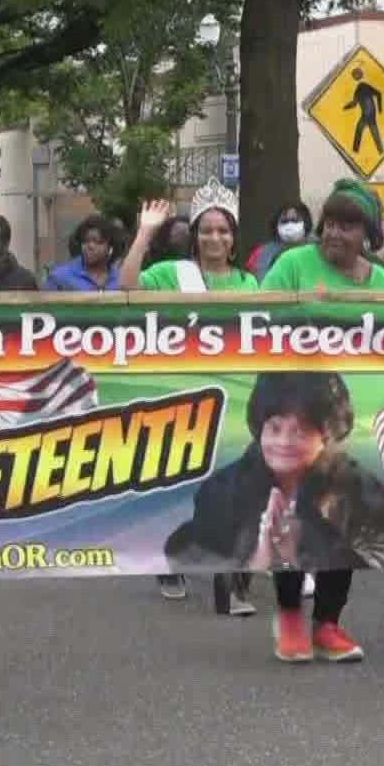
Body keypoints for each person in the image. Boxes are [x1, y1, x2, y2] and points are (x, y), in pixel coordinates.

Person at [163, 371, 384, 660]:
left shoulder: (361, 492)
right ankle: (289, 619)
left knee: (330, 544)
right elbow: (189, 547)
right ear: (260, 429)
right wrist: (259, 556)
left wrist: (310, 544)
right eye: (275, 428)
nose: (284, 442)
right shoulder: (222, 492)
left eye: (301, 431)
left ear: (326, 436)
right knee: (281, 538)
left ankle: (327, 626)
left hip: (331, 545)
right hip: (255, 550)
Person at [251, 178, 384, 659]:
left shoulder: (382, 282)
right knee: (293, 516)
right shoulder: (292, 265)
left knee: (340, 518)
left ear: (368, 236)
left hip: (345, 417)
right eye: (329, 223)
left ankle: (329, 623)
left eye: (348, 226)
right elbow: (256, 323)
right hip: (291, 408)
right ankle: (290, 616)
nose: (334, 234)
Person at [123, 196, 261, 610]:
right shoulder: (172, 274)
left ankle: (231, 577)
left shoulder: (247, 283)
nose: (214, 237)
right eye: (206, 230)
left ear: (234, 239)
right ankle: (173, 557)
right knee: (181, 480)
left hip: (233, 392)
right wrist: (145, 232)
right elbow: (127, 287)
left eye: (223, 230)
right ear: (194, 237)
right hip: (182, 389)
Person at [44, 215, 125, 291]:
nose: (90, 246)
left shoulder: (120, 278)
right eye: (85, 241)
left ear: (110, 247)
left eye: (98, 241)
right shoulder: (59, 277)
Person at [244, 201, 314, 278]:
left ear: (306, 223)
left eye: (295, 220)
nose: (289, 225)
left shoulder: (318, 250)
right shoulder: (260, 253)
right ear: (276, 225)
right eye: (285, 221)